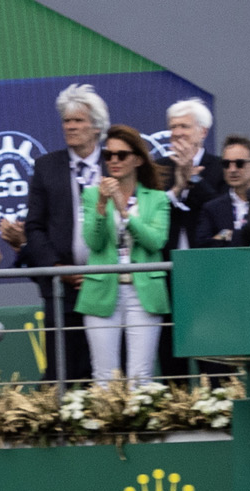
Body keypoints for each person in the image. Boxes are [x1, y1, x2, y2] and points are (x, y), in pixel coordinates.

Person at [3, 83, 109, 384]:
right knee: (61, 370)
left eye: (78, 120)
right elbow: (34, 226)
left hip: (107, 282)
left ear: (97, 127)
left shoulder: (115, 163)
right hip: (60, 288)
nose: (71, 127)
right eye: (66, 121)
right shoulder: (46, 167)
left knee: (106, 369)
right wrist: (57, 267)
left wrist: (100, 270)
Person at [77, 125, 171, 383]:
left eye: (122, 155)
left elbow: (156, 241)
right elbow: (93, 242)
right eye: (109, 155)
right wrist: (101, 205)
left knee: (140, 377)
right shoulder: (92, 194)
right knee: (104, 378)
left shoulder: (157, 199)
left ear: (138, 159)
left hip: (143, 292)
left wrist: (125, 212)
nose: (114, 161)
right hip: (103, 288)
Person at [188, 134, 250, 249]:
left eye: (240, 164)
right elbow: (203, 247)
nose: (232, 170)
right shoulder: (212, 208)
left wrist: (226, 234)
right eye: (226, 164)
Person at [162, 98, 226, 219]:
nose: (177, 133)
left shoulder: (221, 167)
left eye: (184, 126)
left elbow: (221, 212)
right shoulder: (159, 168)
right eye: (173, 127)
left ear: (203, 132)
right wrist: (177, 189)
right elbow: (153, 213)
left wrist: (194, 178)